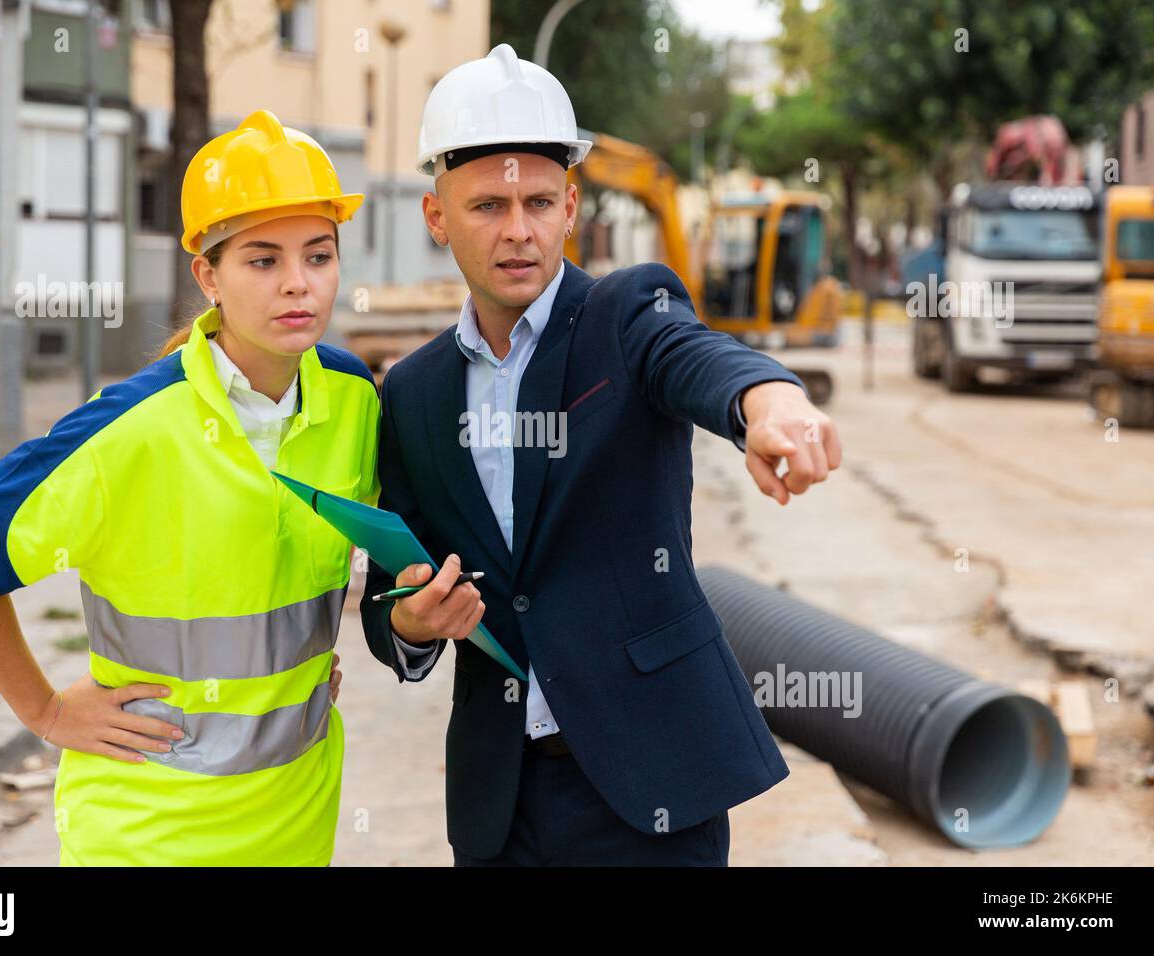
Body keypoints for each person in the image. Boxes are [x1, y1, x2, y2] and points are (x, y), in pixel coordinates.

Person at [359, 46, 843, 866]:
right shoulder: (412, 394)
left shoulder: (625, 315)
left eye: (540, 201)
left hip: (649, 782)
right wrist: (409, 621)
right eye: (487, 206)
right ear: (436, 216)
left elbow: (693, 355)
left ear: (572, 205)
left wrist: (768, 401)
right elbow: (388, 596)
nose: (519, 230)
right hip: (498, 802)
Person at [0, 109, 379, 866]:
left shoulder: (354, 400)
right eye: (263, 260)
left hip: (294, 821)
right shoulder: (130, 428)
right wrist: (45, 710)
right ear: (208, 275)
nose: (298, 283)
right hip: (146, 834)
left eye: (319, 255)